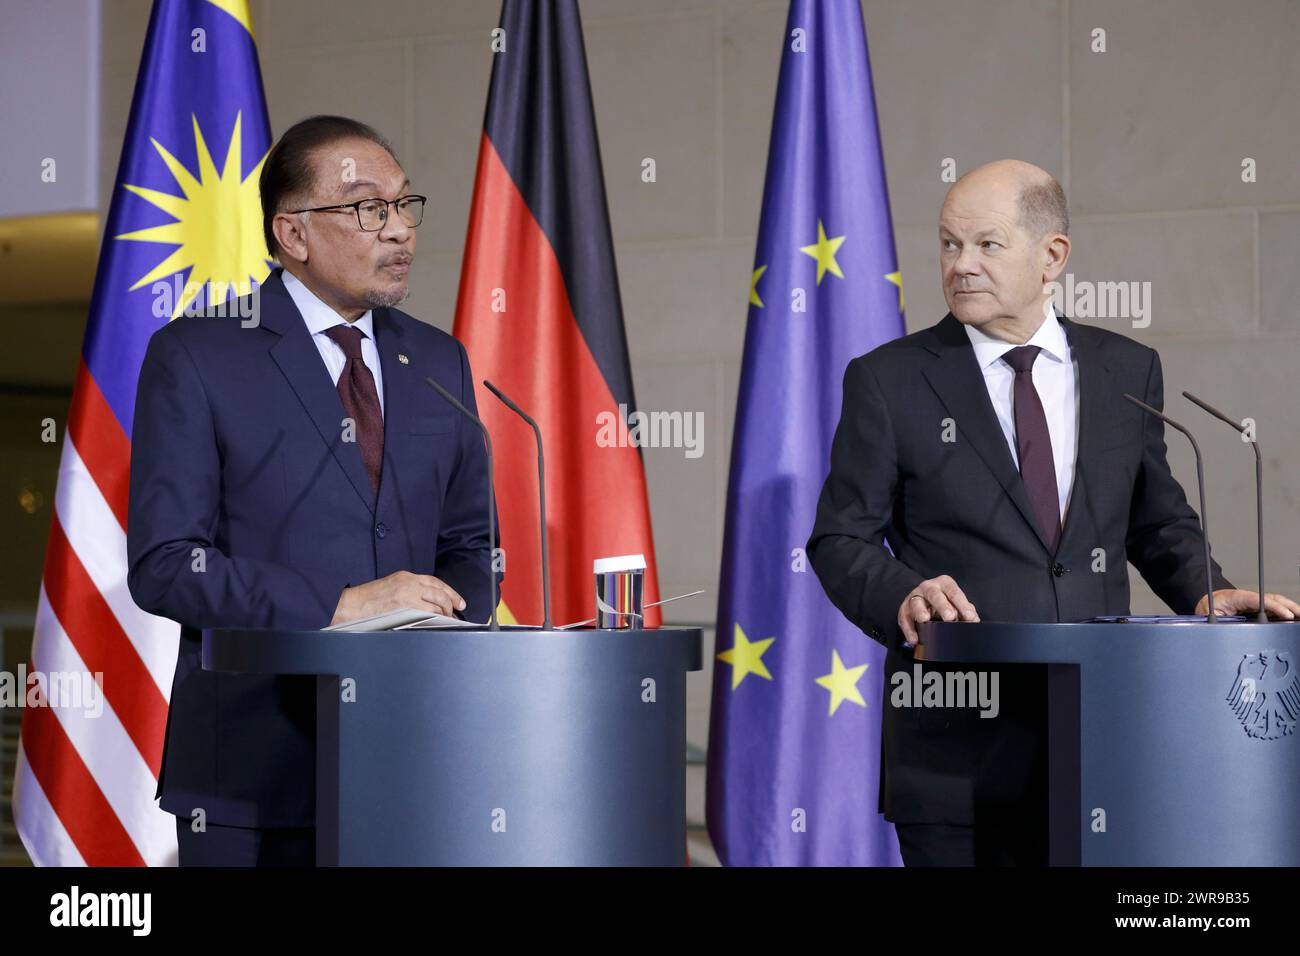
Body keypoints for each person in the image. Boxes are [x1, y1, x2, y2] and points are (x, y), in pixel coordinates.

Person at [807, 159, 1299, 867]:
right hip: (960, 754)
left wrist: (1205, 590)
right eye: (949, 244)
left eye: (986, 244)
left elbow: (1156, 522)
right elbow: (838, 536)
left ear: (1053, 257)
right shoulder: (889, 381)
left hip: (1107, 744)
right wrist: (903, 594)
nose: (961, 266)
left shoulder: (1125, 370)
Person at [127, 115, 496, 866]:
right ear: (291, 234)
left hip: (414, 761)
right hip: (256, 772)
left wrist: (441, 622)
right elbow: (165, 562)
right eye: (368, 209)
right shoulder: (198, 356)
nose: (398, 231)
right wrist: (342, 605)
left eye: (404, 205)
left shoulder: (439, 359)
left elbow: (471, 546)